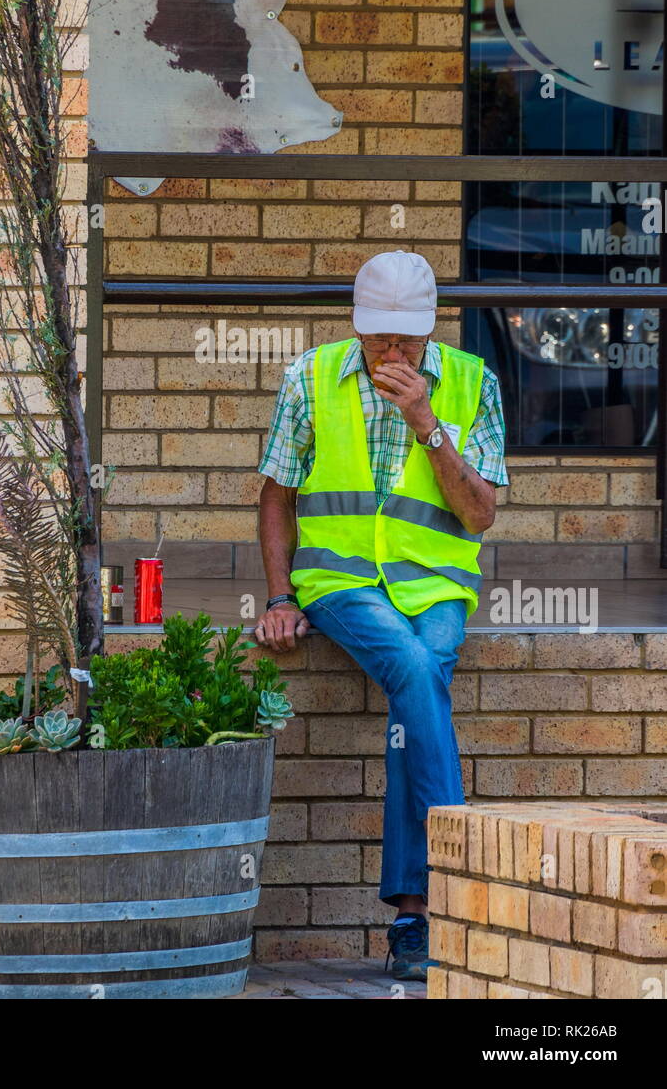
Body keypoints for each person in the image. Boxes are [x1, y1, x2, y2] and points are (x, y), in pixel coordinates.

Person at [254, 250, 508, 980]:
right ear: (356, 325)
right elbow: (275, 492)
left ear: (431, 331)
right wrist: (279, 596)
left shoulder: (471, 382)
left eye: (405, 341)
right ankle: (452, 894)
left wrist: (426, 421)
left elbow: (480, 513)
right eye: (378, 340)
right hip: (340, 583)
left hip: (434, 587)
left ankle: (411, 916)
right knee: (414, 669)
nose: (391, 354)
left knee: (417, 681)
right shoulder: (309, 376)